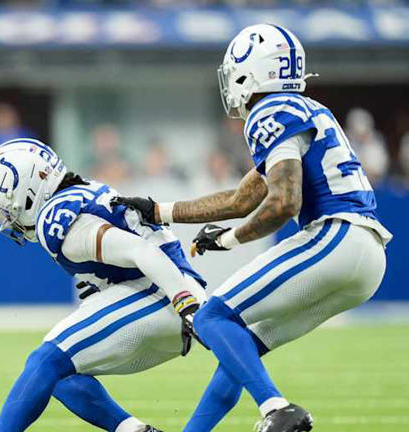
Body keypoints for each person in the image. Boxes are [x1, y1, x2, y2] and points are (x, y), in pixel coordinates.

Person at [115, 24, 392, 432]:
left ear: (252, 72)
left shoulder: (271, 110)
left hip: (336, 236)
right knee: (238, 350)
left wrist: (229, 239)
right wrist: (160, 210)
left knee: (210, 318)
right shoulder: (306, 110)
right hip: (367, 255)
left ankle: (277, 409)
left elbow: (284, 202)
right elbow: (242, 198)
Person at [0, 138, 208, 432]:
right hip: (164, 291)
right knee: (59, 375)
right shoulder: (81, 191)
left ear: (28, 190)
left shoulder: (56, 217)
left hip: (166, 294)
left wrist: (185, 303)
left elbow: (140, 250)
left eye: (4, 208)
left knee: (45, 359)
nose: (5, 219)